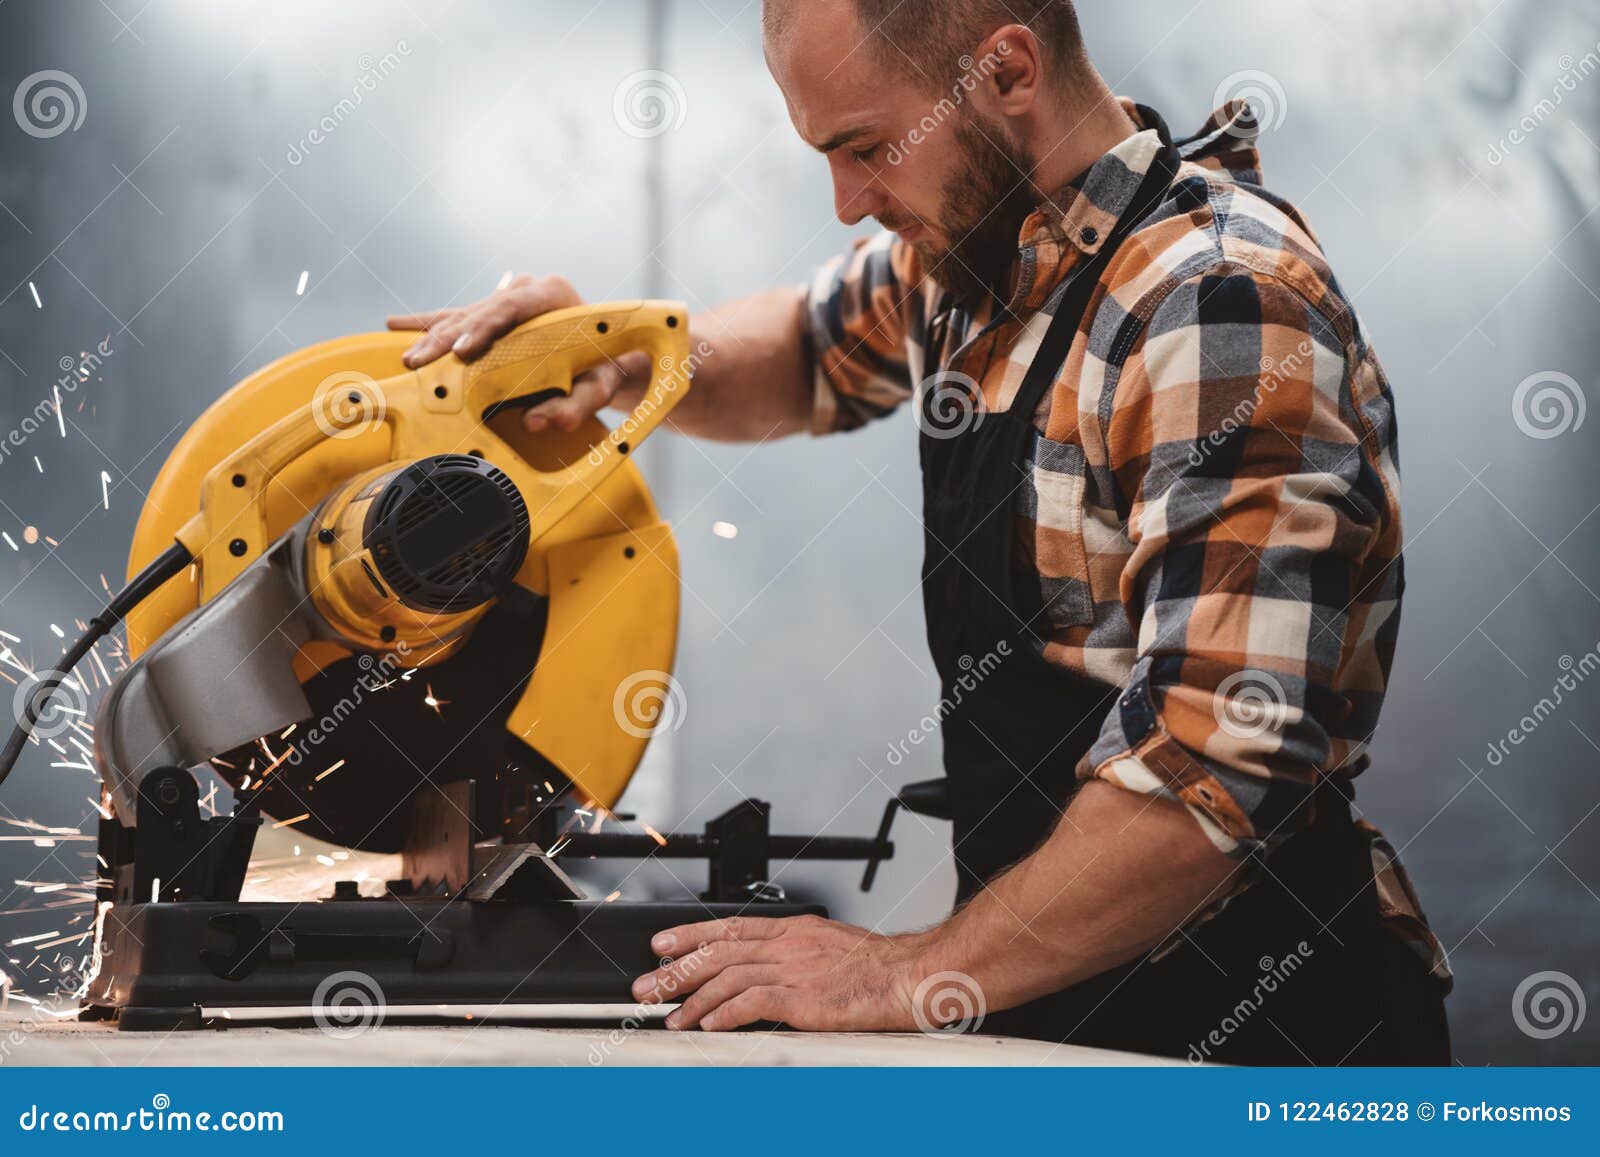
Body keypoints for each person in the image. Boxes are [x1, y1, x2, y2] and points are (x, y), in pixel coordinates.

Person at [388, 0, 1451, 1063]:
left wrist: (904, 969)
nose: (849, 203)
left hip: (1256, 1031)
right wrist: (622, 357)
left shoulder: (1215, 303)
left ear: (1007, 73)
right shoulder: (985, 249)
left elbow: (1211, 775)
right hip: (1060, 1008)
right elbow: (806, 353)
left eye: (863, 148)